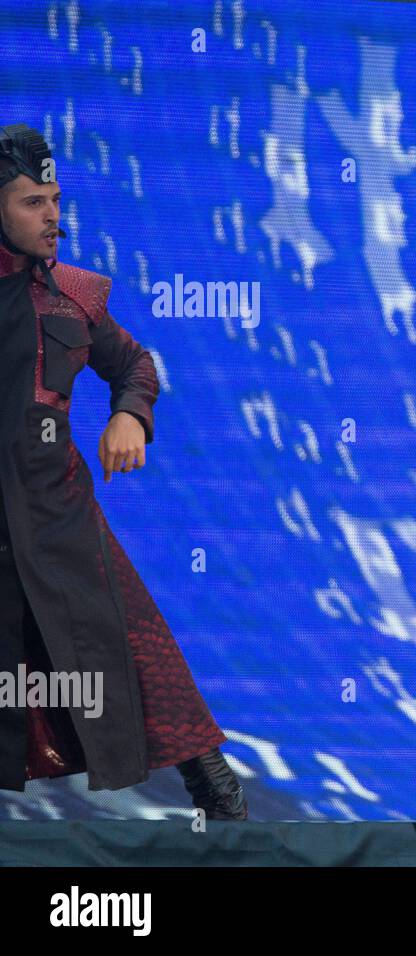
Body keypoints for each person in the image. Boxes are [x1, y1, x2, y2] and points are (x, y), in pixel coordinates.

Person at [0, 123, 246, 818]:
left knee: (139, 655)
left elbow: (135, 365)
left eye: (54, 198)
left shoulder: (73, 294)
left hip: (62, 515)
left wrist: (130, 416)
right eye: (31, 202)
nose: (52, 215)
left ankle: (221, 804)